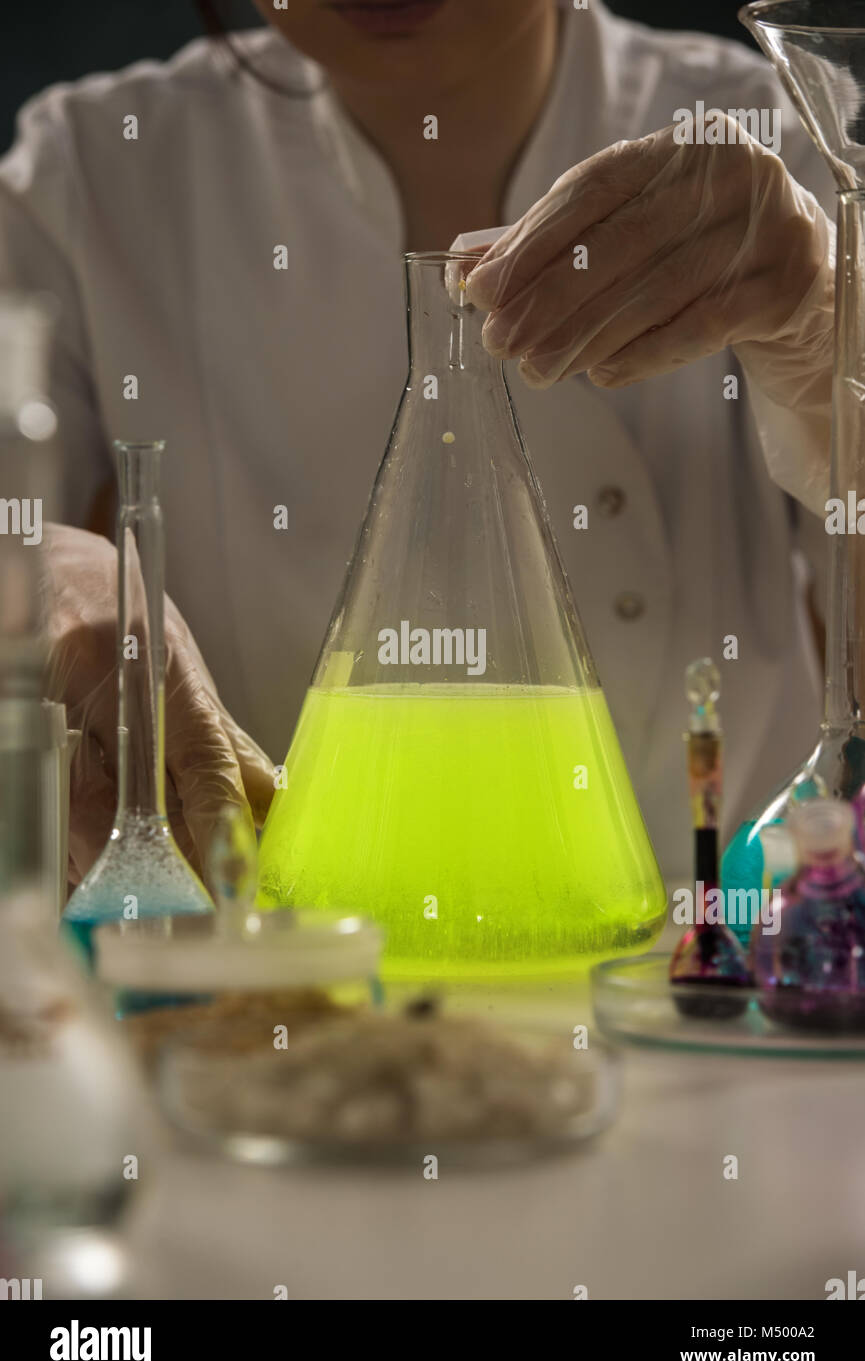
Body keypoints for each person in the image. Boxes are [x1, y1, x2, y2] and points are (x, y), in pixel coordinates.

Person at [0, 0, 835, 884]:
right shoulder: (95, 170)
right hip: (280, 985)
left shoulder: (788, 144)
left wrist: (826, 323)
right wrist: (37, 575)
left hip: (724, 989)